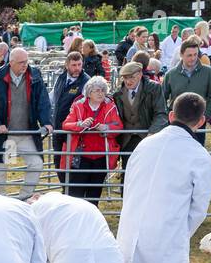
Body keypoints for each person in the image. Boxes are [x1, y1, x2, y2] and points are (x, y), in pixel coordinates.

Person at [116, 93, 211, 263]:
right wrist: (181, 233)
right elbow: (200, 207)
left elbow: (128, 183)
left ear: (170, 115)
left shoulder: (145, 145)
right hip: (166, 236)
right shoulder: (198, 155)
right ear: (201, 121)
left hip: (131, 229)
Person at [0, 47, 53, 199]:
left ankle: (24, 198)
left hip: (27, 133)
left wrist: (47, 122)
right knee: (1, 168)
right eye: (21, 62)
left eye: (26, 62)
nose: (25, 65)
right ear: (11, 63)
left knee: (36, 164)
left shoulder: (34, 75)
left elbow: (43, 101)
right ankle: (0, 201)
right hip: (6, 135)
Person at [60, 75, 122, 205]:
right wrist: (80, 124)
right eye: (97, 90)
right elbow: (66, 124)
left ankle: (90, 220)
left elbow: (118, 126)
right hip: (82, 155)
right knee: (76, 193)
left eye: (103, 90)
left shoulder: (110, 106)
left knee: (94, 193)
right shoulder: (78, 105)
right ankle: (73, 219)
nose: (101, 93)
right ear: (89, 92)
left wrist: (106, 128)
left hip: (101, 156)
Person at [162, 37, 211, 147]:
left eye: (195, 54)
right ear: (181, 55)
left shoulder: (208, 72)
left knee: (196, 154)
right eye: (189, 55)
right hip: (176, 123)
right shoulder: (171, 74)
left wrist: (205, 116)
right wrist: (168, 116)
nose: (193, 58)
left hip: (198, 123)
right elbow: (161, 97)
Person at [113, 61, 168, 166]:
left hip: (147, 137)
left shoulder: (153, 88)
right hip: (126, 140)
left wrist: (152, 133)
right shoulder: (118, 94)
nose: (128, 81)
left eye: (131, 77)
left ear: (140, 74)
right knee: (127, 171)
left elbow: (161, 113)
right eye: (125, 78)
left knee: (147, 170)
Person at [50, 52, 90, 196]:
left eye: (79, 64)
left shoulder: (86, 81)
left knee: (72, 162)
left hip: (74, 131)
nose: (77, 68)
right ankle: (66, 189)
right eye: (74, 65)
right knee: (58, 161)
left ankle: (72, 192)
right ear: (67, 65)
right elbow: (53, 98)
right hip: (58, 129)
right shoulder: (61, 78)